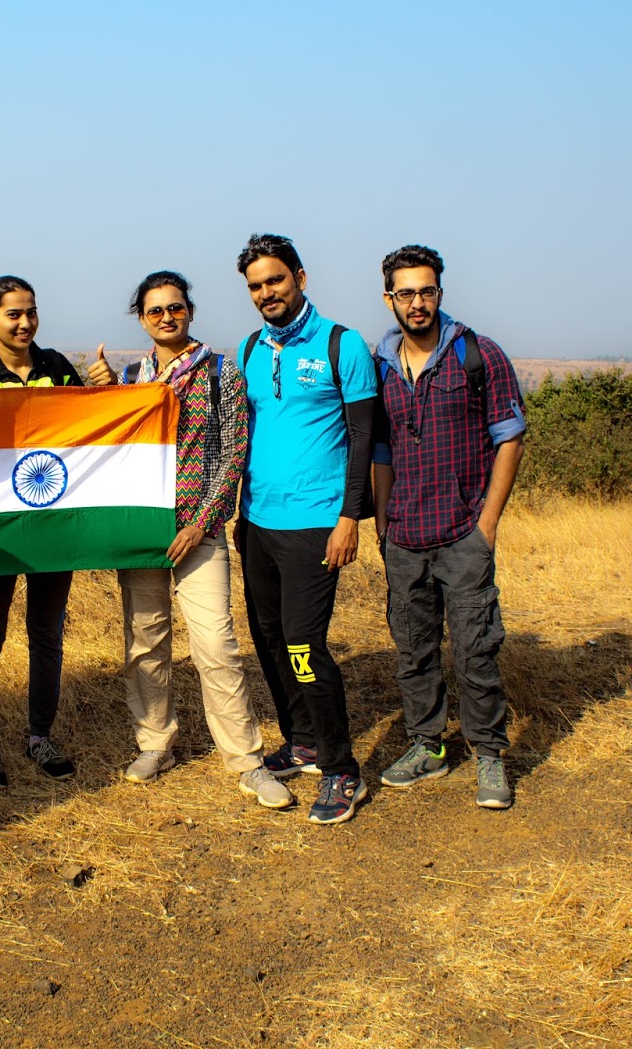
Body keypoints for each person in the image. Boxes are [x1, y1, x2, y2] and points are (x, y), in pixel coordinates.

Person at [88, 271, 293, 809]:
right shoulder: (133, 378)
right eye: (155, 310)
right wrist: (103, 394)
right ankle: (155, 744)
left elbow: (233, 453)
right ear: (142, 319)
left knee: (217, 646)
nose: (166, 317)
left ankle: (246, 760)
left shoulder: (220, 372)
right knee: (145, 642)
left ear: (190, 311)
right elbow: (112, 449)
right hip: (143, 532)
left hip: (199, 532)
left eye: (175, 307)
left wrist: (202, 522)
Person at [370, 244, 526, 809]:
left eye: (426, 291)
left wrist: (488, 523)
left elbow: (510, 436)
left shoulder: (477, 354)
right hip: (404, 535)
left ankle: (488, 753)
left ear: (440, 293)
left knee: (475, 648)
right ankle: (428, 746)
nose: (417, 303)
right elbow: (381, 449)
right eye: (406, 293)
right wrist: (383, 523)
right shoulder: (379, 365)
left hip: (463, 532)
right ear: (389, 298)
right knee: (413, 649)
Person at [232, 233, 377, 826]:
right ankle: (304, 742)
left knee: (303, 645)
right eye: (256, 286)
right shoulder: (249, 348)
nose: (266, 292)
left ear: (300, 278)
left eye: (275, 280)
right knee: (269, 638)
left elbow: (363, 438)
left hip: (316, 523)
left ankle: (343, 769)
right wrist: (239, 516)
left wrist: (349, 518)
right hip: (257, 522)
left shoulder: (342, 344)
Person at [0, 276, 83, 787]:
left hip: (52, 527)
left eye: (31, 311)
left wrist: (105, 386)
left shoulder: (58, 368)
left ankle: (39, 736)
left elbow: (88, 432)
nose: (25, 323)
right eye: (13, 314)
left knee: (46, 634)